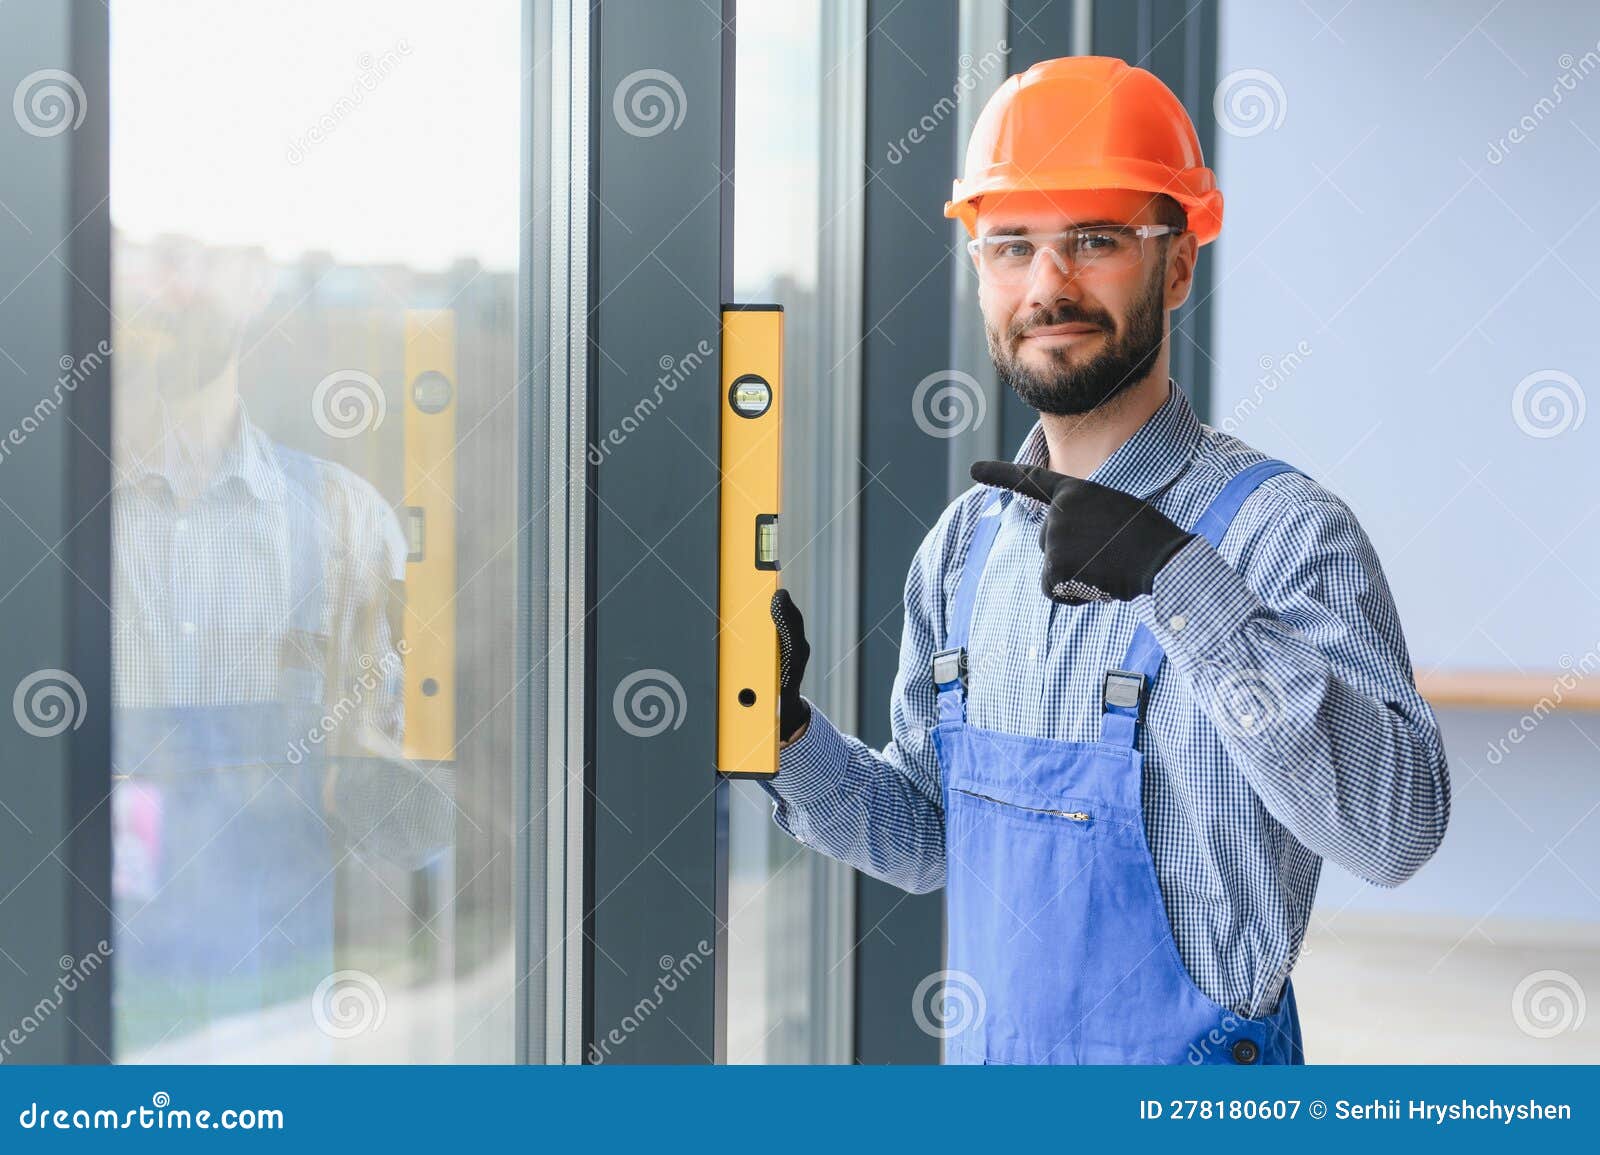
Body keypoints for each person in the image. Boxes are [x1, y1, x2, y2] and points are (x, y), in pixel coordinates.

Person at [762, 56, 1450, 1065]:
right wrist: (783, 733)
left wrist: (1179, 579)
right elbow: (925, 839)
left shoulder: (1286, 535)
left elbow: (1393, 835)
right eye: (1012, 247)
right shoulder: (960, 551)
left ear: (1175, 263)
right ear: (981, 274)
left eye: (1094, 241)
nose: (1050, 284)